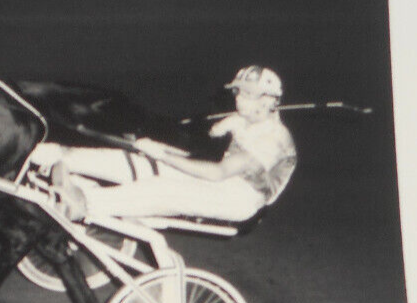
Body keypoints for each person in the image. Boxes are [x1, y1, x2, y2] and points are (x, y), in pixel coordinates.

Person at [37, 66, 296, 223]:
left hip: (238, 198)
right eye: (238, 92)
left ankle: (84, 202)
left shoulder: (274, 139)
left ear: (269, 101)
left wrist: (163, 155)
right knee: (140, 160)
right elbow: (209, 142)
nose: (239, 101)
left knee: (161, 187)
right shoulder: (245, 119)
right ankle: (53, 155)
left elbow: (219, 172)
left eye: (248, 95)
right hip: (218, 179)